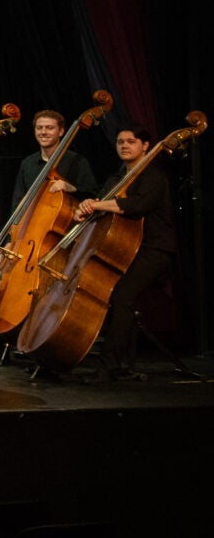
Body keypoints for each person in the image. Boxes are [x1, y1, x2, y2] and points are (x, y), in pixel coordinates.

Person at [78, 124, 176, 382]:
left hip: (154, 250)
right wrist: (85, 207)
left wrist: (98, 204)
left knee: (122, 296)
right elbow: (100, 201)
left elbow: (136, 205)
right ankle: (120, 363)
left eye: (130, 141)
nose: (124, 145)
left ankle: (109, 367)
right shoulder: (117, 177)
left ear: (145, 146)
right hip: (125, 249)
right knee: (113, 295)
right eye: (120, 141)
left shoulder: (154, 176)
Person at [14, 109, 97, 201]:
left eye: (49, 128)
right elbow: (17, 201)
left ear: (61, 131)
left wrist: (72, 189)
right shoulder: (27, 164)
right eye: (39, 128)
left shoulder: (77, 161)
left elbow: (91, 196)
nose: (43, 132)